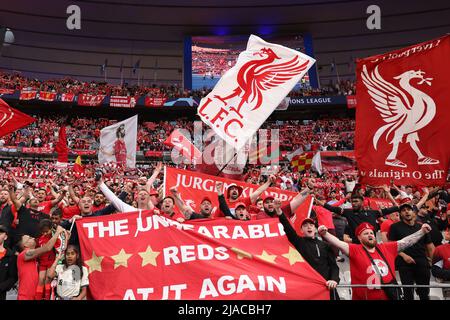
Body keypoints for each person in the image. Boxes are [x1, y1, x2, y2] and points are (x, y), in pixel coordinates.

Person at [319, 221, 432, 300]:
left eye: (371, 233)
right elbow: (339, 243)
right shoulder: (354, 249)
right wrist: (325, 233)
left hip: (390, 296)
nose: (370, 235)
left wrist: (421, 232)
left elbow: (405, 242)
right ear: (359, 237)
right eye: (366, 233)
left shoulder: (386, 247)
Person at [274, 199, 340, 300]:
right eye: (305, 226)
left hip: (327, 288)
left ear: (315, 228)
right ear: (301, 230)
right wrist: (279, 212)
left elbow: (333, 266)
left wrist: (334, 280)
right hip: (308, 288)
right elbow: (288, 228)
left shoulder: (325, 245)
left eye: (311, 225)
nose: (308, 227)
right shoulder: (299, 242)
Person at [388, 203, 435, 300]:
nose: (406, 212)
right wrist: (404, 256)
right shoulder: (395, 227)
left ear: (413, 212)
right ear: (400, 214)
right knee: (408, 293)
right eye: (403, 210)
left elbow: (429, 246)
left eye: (408, 209)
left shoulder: (421, 227)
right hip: (404, 263)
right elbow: (391, 246)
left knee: (424, 293)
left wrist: (432, 261)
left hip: (422, 262)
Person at [316, 191, 400, 244]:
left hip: (372, 245)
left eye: (356, 201)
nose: (354, 203)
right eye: (352, 202)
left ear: (362, 202)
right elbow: (331, 208)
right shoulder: (348, 212)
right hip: (356, 247)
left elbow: (396, 208)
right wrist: (317, 201)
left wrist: (388, 193)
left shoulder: (373, 213)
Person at [16, 225, 66, 300]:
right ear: (25, 245)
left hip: (33, 297)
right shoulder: (24, 254)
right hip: (25, 297)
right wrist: (57, 232)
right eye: (29, 238)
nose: (33, 238)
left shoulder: (33, 257)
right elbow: (47, 248)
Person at [0, 225, 17, 300]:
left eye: (0, 233)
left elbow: (13, 277)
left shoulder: (11, 256)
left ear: (5, 237)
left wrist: (1, 287)